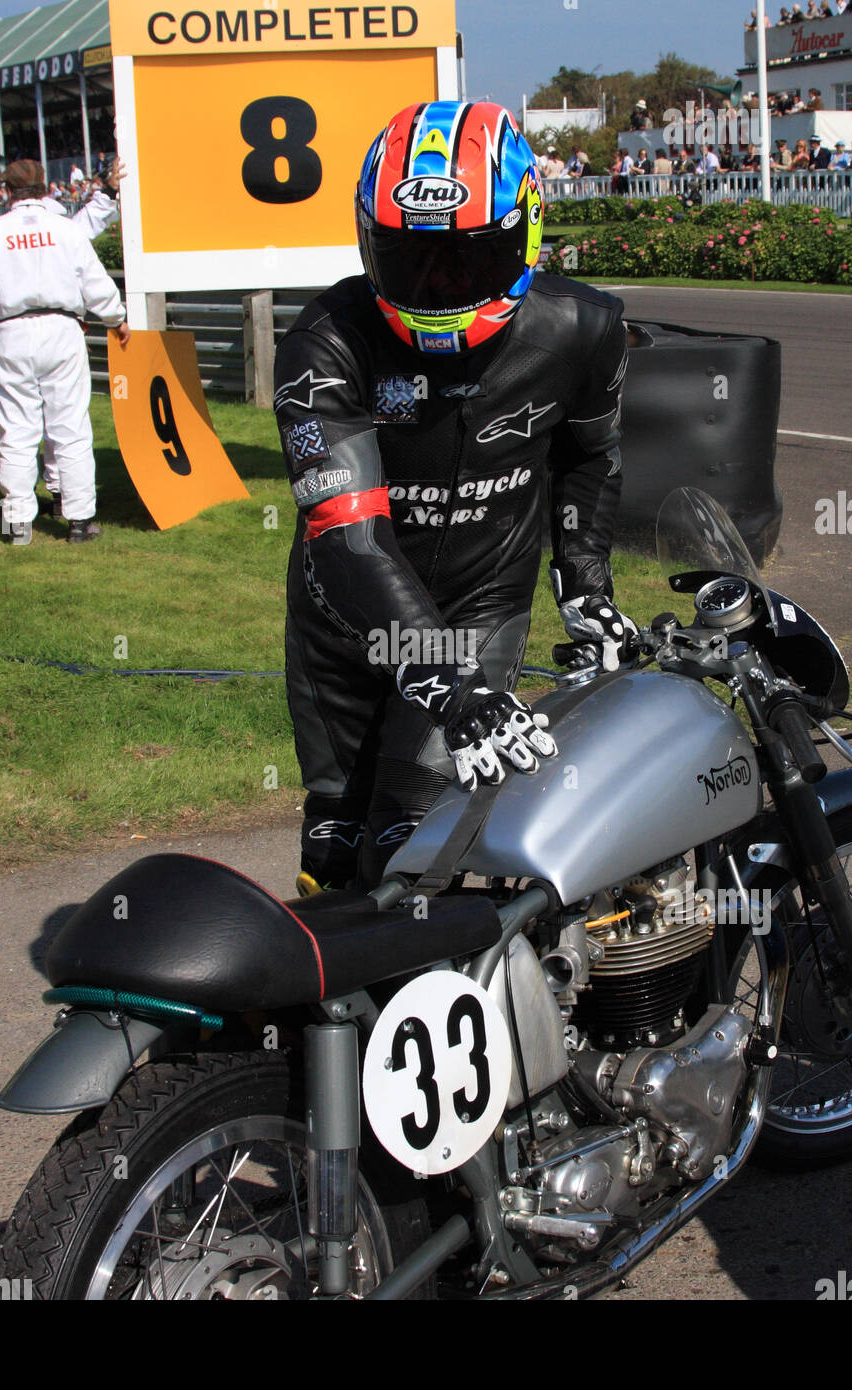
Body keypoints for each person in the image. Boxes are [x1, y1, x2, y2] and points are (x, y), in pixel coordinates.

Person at [274, 100, 636, 893]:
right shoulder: (322, 341)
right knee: (334, 847)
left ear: (526, 235)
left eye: (466, 260)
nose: (439, 284)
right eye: (410, 261)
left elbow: (589, 455)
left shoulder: (586, 325)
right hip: (343, 616)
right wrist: (458, 691)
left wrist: (583, 583)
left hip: (480, 602)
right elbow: (347, 541)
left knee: (410, 843)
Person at [0, 160, 130, 547]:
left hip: (10, 332)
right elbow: (95, 282)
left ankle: (19, 522)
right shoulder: (66, 230)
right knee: (69, 427)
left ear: (7, 192)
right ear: (47, 188)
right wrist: (116, 318)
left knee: (18, 428)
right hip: (61, 329)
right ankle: (78, 520)